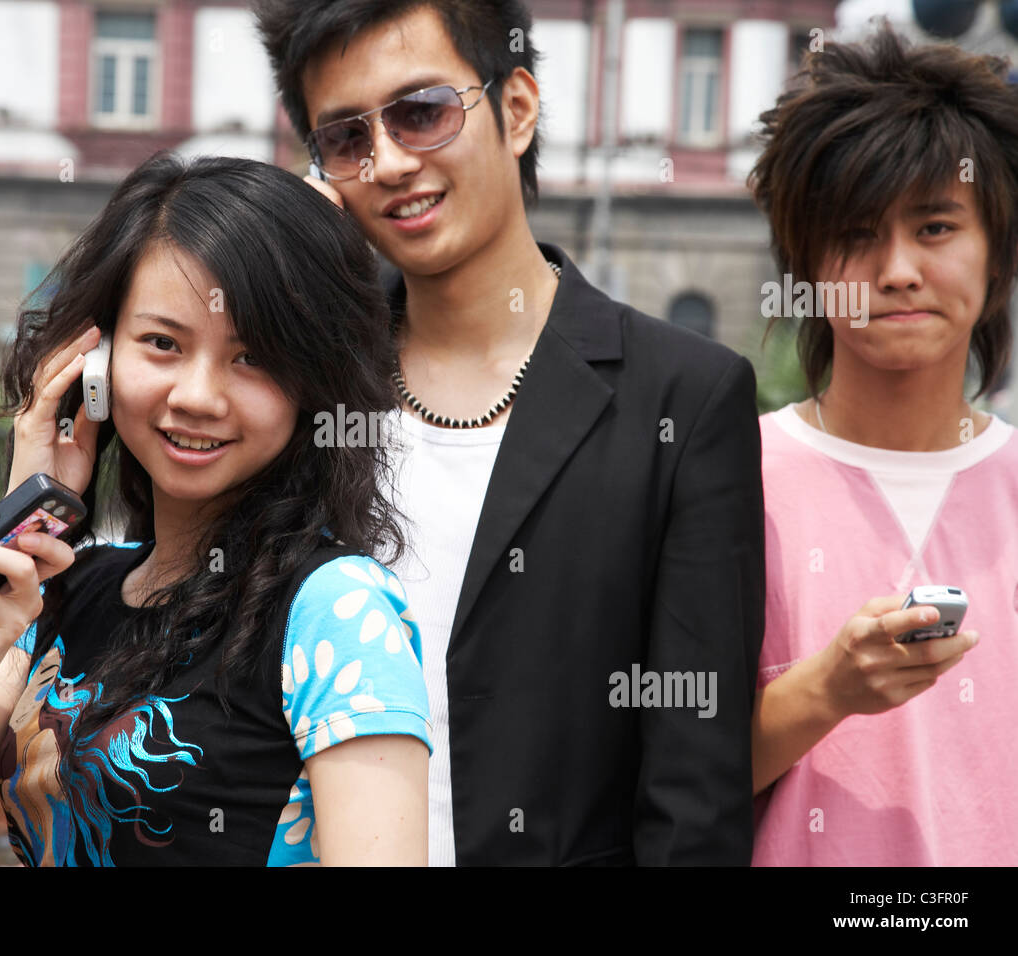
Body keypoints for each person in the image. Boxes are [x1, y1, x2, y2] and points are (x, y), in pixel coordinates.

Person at [255, 0, 765, 864]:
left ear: (516, 109)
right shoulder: (298, 391)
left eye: (421, 114)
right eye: (346, 139)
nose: (387, 164)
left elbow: (693, 796)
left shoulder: (684, 400)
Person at [0, 152, 432, 866]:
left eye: (253, 357)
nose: (198, 396)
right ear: (96, 364)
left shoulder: (337, 607)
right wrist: (31, 508)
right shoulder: (62, 589)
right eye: (162, 344)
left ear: (315, 381)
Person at [748, 24, 1018, 865]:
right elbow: (664, 771)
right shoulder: (726, 477)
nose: (897, 269)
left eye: (936, 227)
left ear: (998, 253)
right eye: (858, 234)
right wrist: (824, 691)